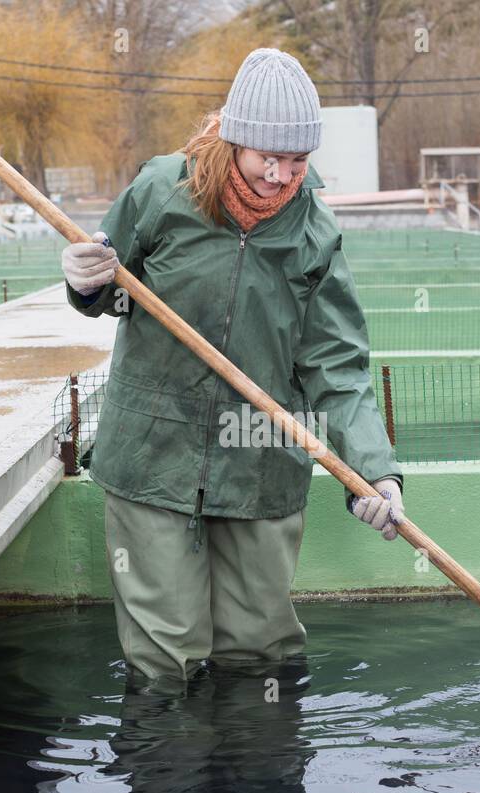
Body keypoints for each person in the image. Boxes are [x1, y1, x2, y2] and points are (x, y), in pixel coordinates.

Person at [62, 48, 404, 688]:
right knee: (168, 658)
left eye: (296, 161)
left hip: (262, 464)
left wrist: (376, 472)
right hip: (151, 454)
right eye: (266, 158)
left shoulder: (315, 234)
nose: (280, 176)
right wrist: (85, 282)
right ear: (233, 140)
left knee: (261, 652)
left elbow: (339, 364)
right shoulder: (163, 192)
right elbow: (110, 286)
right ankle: (172, 775)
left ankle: (260, 778)